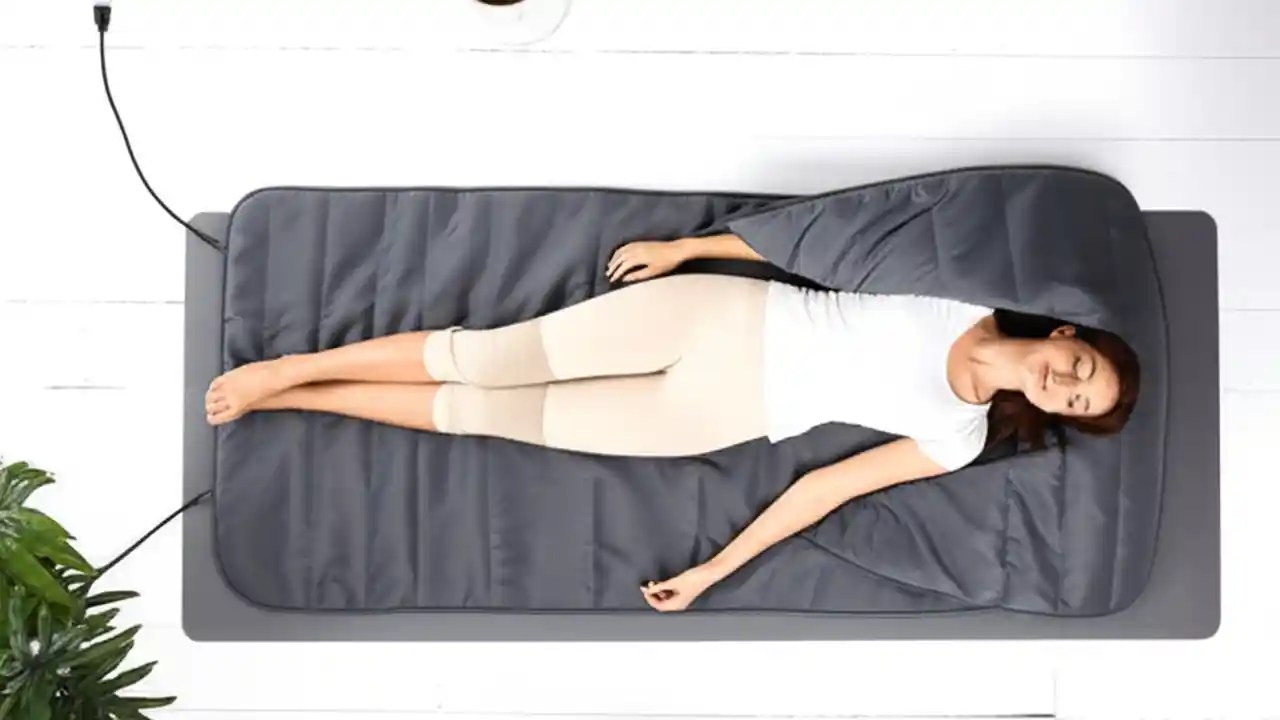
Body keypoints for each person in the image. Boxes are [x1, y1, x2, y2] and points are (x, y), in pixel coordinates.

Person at [204, 232, 1140, 613]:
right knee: (484, 357)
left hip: (712, 414)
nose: (1065, 386)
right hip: (726, 317)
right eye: (1083, 370)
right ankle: (297, 366)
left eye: (1076, 404)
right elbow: (830, 232)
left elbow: (824, 487)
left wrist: (711, 572)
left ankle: (291, 398)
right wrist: (691, 246)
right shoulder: (964, 291)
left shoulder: (960, 436)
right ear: (1068, 332)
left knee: (482, 418)